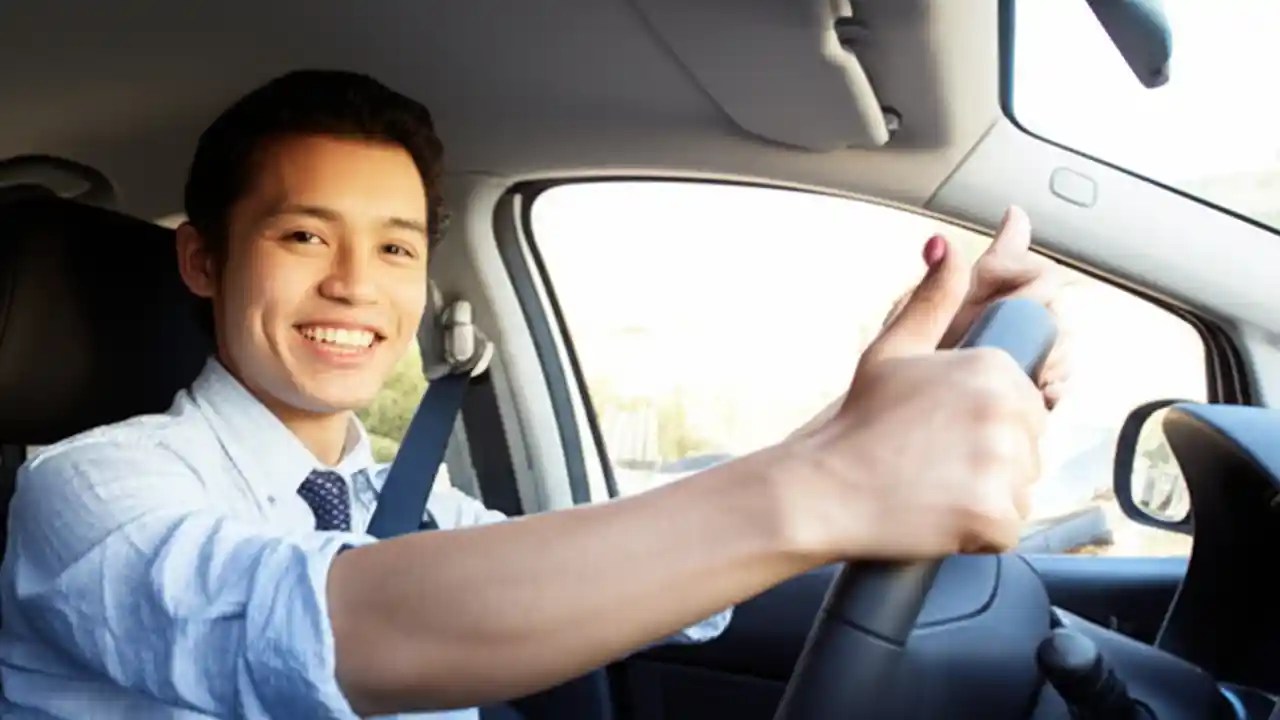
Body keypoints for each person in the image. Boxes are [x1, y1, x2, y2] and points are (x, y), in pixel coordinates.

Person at [0, 69, 1069, 719]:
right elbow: (313, 630)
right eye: (302, 236)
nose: (353, 285)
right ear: (202, 262)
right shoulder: (86, 493)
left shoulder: (406, 511)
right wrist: (830, 483)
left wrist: (853, 420)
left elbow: (620, 560)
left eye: (395, 247)